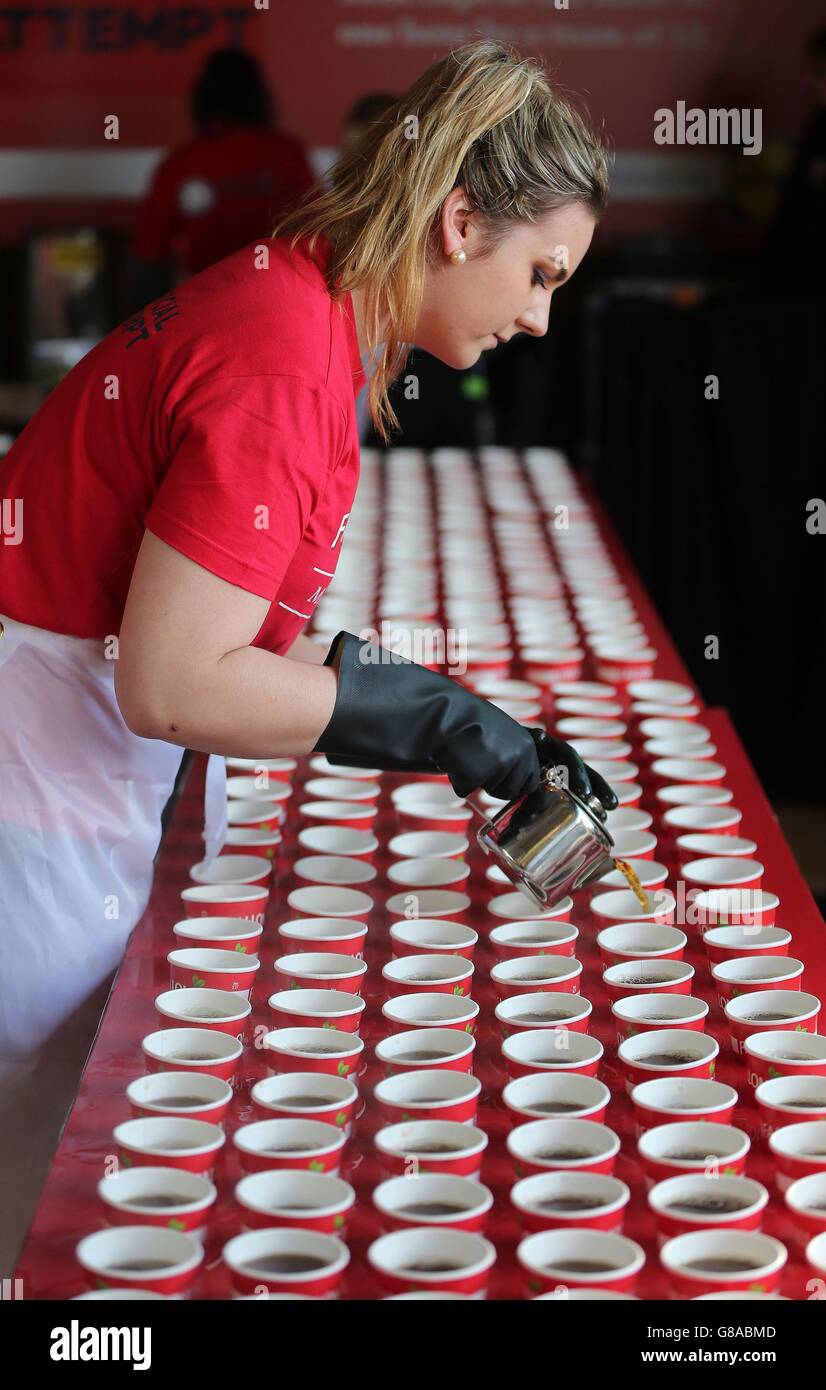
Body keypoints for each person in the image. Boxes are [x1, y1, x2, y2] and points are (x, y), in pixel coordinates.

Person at [0, 38, 612, 1272]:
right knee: (35, 1192)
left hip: (73, 769)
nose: (537, 317)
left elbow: (215, 625)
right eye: (539, 274)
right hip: (37, 797)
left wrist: (441, 713)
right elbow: (175, 680)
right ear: (459, 224)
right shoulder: (282, 349)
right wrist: (428, 719)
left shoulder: (305, 309)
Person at [129, 47, 315, 306]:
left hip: (205, 306)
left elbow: (149, 258)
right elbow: (316, 235)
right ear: (259, 97)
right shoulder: (287, 154)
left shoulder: (181, 163)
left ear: (202, 98)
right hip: (280, 302)